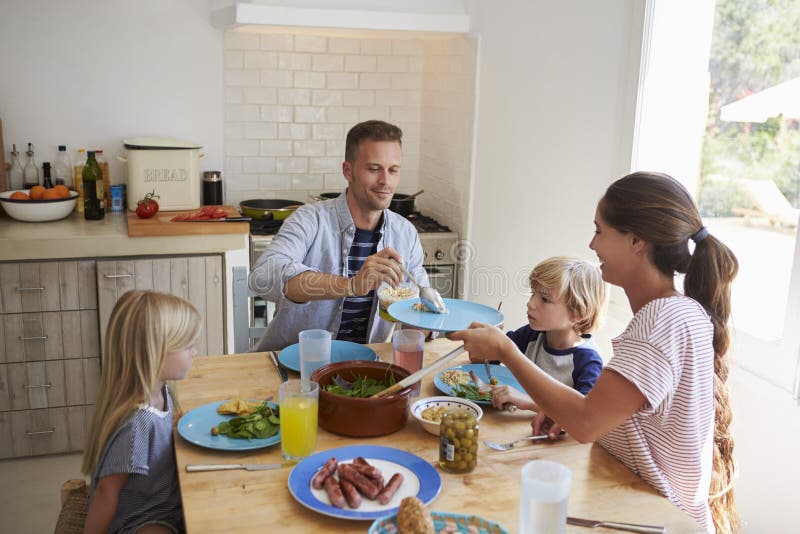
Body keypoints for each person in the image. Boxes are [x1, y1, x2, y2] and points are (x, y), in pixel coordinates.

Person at [449, 172, 739, 533]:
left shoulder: (662, 321)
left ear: (637, 241)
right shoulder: (675, 312)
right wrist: (572, 417)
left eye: (600, 231)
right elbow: (618, 419)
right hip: (639, 508)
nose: (592, 243)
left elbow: (587, 422)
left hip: (661, 521)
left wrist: (506, 350)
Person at [249, 120, 428, 351]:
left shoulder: (405, 234)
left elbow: (422, 309)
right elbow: (263, 276)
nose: (385, 181)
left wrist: (430, 320)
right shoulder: (309, 219)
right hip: (296, 364)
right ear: (348, 170)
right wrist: (352, 285)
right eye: (374, 169)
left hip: (364, 369)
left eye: (393, 170)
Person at [82, 290, 201, 534]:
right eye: (187, 345)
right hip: (141, 520)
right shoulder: (137, 424)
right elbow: (107, 492)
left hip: (166, 503)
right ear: (155, 352)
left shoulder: (162, 391)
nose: (194, 352)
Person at [480, 256, 607, 414]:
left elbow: (584, 416)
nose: (531, 303)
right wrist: (489, 341)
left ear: (577, 313)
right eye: (534, 293)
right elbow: (487, 359)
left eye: (545, 299)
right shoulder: (533, 334)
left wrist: (528, 402)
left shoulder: (587, 361)